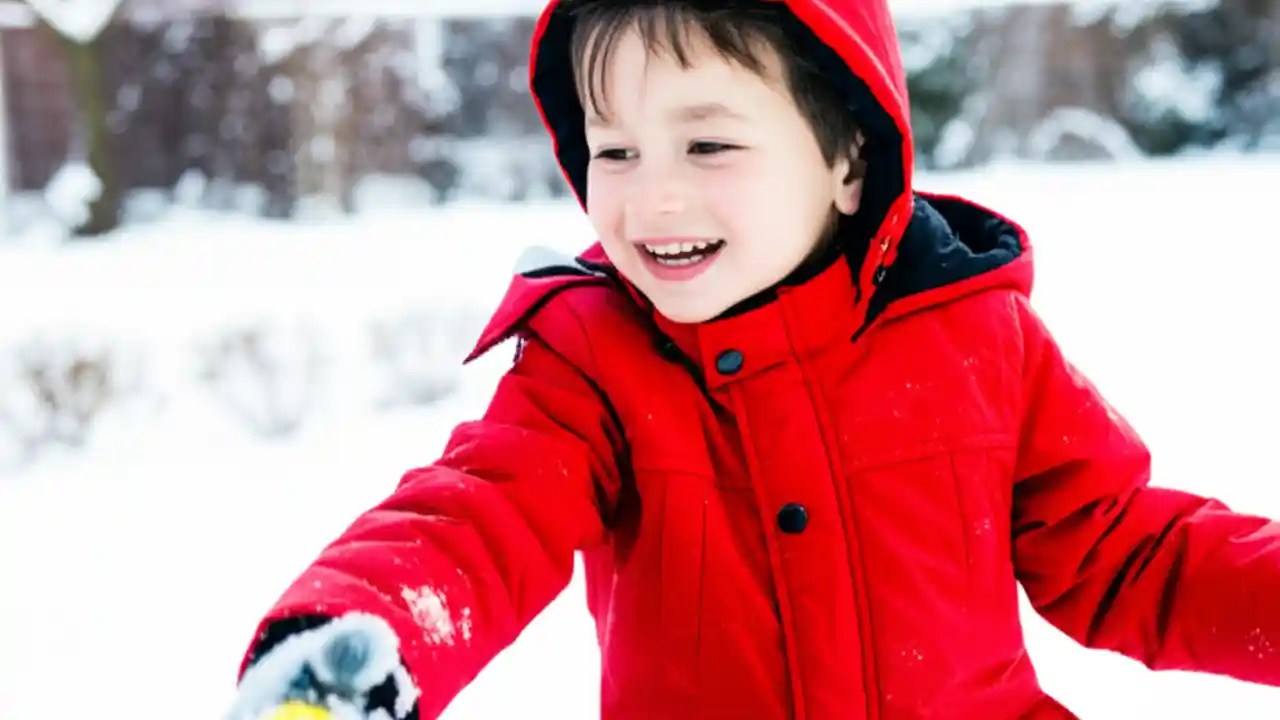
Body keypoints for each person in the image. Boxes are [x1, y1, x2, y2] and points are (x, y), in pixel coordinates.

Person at [225, 1, 1280, 718]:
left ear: (847, 159)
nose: (650, 196)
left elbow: (1122, 550)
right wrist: (360, 636)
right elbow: (477, 514)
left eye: (708, 144)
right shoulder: (591, 365)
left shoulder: (972, 340)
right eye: (615, 149)